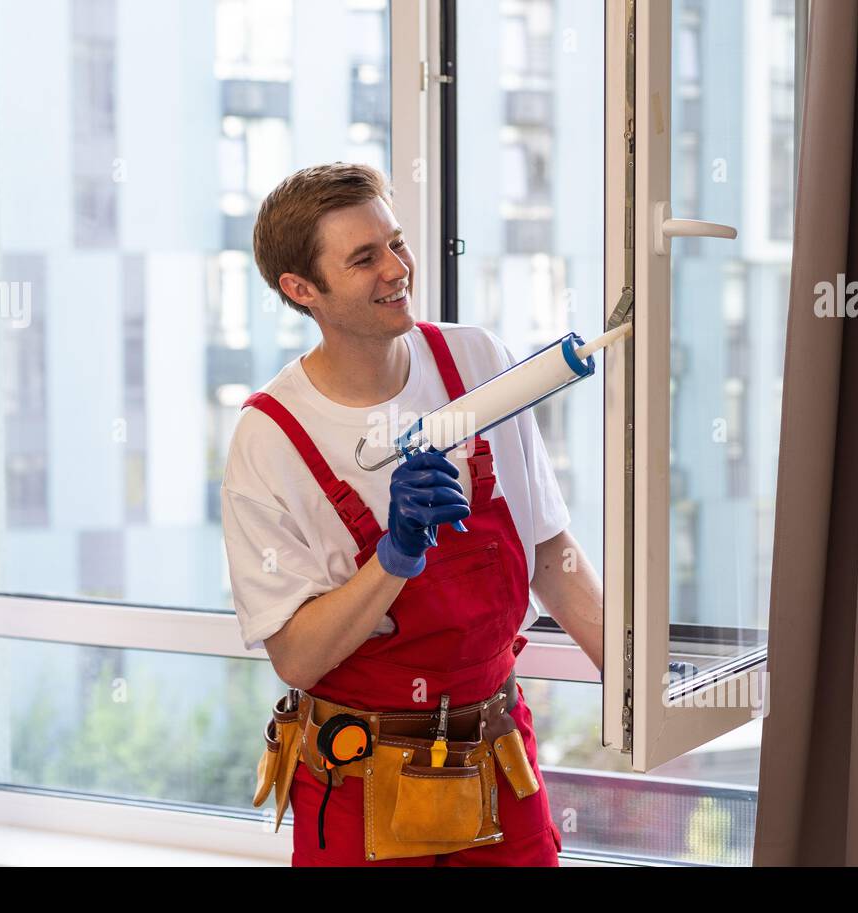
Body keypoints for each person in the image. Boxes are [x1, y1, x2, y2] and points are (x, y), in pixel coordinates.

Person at [222, 162, 603, 866]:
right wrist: (393, 558)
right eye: (364, 258)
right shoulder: (270, 438)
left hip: (496, 759)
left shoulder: (479, 363)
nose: (397, 269)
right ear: (301, 290)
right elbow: (298, 657)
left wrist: (642, 684)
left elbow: (551, 553)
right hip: (359, 780)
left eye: (396, 243)